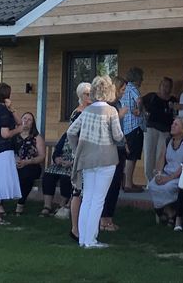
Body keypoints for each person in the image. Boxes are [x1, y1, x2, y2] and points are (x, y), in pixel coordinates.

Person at [67, 74, 126, 249]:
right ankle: (91, 240)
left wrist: (77, 150)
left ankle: (83, 239)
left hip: (87, 159)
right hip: (106, 159)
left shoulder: (86, 111)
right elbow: (117, 136)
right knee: (98, 200)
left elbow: (71, 132)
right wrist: (123, 137)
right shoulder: (111, 111)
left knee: (87, 199)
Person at [0, 82, 23, 225]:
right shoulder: (2, 112)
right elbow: (5, 133)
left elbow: (19, 121)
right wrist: (18, 130)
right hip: (4, 149)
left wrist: (12, 108)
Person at [148, 116, 183, 229]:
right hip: (166, 174)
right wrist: (159, 174)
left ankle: (166, 212)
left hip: (178, 176)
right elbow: (161, 159)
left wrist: (168, 178)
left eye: (176, 124)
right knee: (152, 185)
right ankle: (170, 212)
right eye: (172, 123)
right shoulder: (168, 141)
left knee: (167, 187)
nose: (172, 126)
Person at [100, 75, 129, 232]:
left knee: (116, 184)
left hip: (120, 147)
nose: (124, 92)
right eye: (122, 89)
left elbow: (119, 129)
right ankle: (105, 219)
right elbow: (107, 126)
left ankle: (108, 218)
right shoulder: (109, 106)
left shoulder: (118, 104)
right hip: (111, 149)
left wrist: (125, 142)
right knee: (110, 185)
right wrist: (120, 115)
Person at [68, 82, 92, 241]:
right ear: (80, 96)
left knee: (87, 192)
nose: (90, 96)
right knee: (77, 191)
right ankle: (75, 228)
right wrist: (77, 153)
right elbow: (72, 135)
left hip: (91, 156)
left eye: (91, 93)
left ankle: (86, 226)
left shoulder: (91, 111)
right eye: (87, 94)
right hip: (80, 156)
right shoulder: (78, 113)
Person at [142, 76, 177, 183]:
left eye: (168, 86)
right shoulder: (152, 96)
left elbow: (176, 114)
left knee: (160, 157)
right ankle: (149, 181)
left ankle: (156, 180)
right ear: (160, 86)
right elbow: (139, 101)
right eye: (164, 85)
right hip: (151, 129)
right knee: (149, 155)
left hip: (165, 131)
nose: (165, 88)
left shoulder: (173, 100)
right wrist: (144, 113)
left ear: (171, 88)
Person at [14, 112, 46, 215]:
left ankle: (20, 203)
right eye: (24, 118)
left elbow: (42, 156)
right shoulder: (14, 136)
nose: (26, 121)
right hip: (15, 165)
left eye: (29, 119)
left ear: (33, 123)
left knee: (26, 174)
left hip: (32, 165)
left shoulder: (37, 137)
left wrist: (27, 162)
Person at [120, 67, 145, 192]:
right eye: (141, 77)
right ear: (137, 78)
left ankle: (127, 182)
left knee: (128, 156)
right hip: (134, 126)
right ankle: (128, 184)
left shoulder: (124, 89)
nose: (142, 80)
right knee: (132, 157)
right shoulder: (133, 88)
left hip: (125, 126)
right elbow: (139, 100)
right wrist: (140, 110)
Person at [41, 134, 73, 217]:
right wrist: (56, 158)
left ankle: (62, 205)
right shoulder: (66, 135)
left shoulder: (84, 136)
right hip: (61, 164)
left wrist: (72, 163)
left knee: (65, 177)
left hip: (74, 166)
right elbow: (57, 151)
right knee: (48, 175)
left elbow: (84, 155)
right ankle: (47, 206)